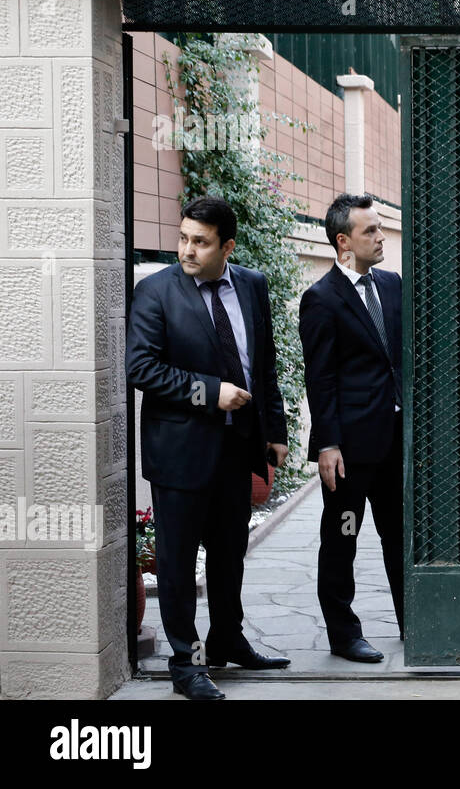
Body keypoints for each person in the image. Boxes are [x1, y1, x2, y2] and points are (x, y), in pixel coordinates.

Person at [126, 196, 292, 701]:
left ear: (228, 246)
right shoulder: (155, 292)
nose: (187, 250)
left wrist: (276, 428)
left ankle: (227, 639)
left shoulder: (252, 285)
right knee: (177, 563)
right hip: (179, 452)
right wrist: (208, 391)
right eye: (184, 238)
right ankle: (186, 663)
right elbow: (142, 369)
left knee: (229, 553)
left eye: (200, 242)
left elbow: (262, 363)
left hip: (237, 445)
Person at [299, 193, 404, 662]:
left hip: (397, 441)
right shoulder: (320, 299)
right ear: (344, 242)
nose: (381, 237)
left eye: (380, 228)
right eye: (370, 231)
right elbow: (319, 378)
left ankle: (414, 623)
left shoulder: (393, 284)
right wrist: (328, 444)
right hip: (349, 448)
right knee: (342, 538)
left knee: (401, 536)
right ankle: (345, 635)